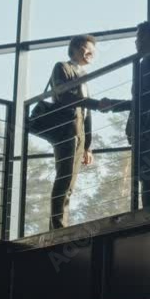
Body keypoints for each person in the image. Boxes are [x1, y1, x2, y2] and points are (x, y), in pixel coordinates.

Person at [101, 21, 150, 208]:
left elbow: (145, 100)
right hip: (149, 127)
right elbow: (143, 100)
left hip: (148, 128)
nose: (136, 41)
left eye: (138, 37)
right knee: (149, 171)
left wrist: (138, 128)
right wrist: (114, 104)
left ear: (146, 37)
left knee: (147, 172)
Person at [48, 34, 100, 229]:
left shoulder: (84, 76)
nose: (92, 53)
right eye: (88, 49)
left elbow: (86, 114)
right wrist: (94, 103)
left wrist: (87, 146)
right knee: (64, 178)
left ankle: (60, 225)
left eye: (93, 51)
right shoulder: (62, 67)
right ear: (76, 49)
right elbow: (64, 97)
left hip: (79, 135)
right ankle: (58, 227)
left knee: (70, 181)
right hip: (65, 131)